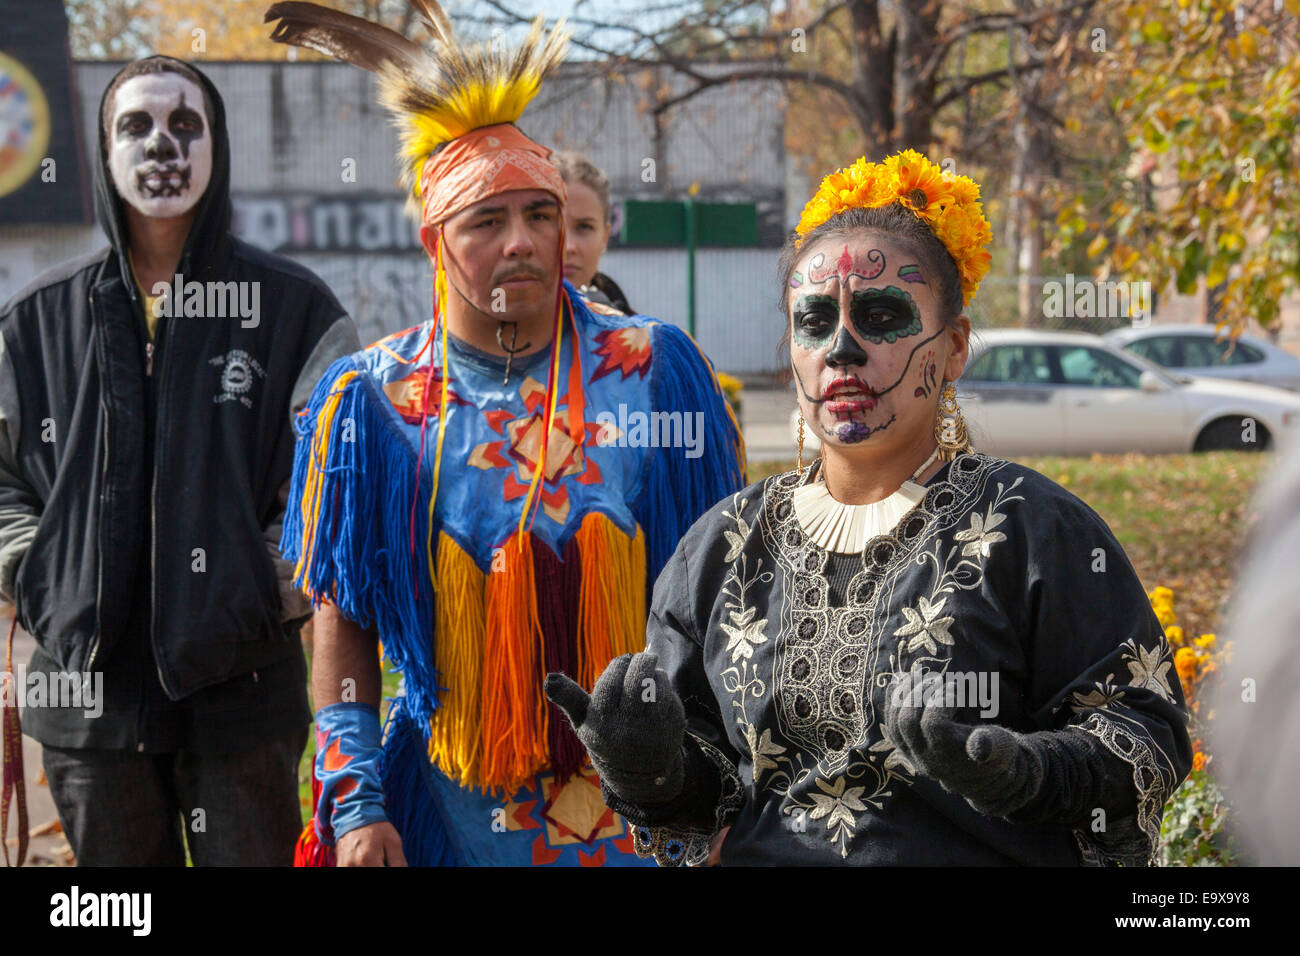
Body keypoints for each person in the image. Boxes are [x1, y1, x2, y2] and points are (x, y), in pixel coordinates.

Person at [547, 151, 1193, 866]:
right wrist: (653, 771)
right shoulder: (723, 548)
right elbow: (708, 797)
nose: (842, 348)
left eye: (882, 317)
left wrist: (1024, 773)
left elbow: (1147, 740)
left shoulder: (1034, 532)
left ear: (953, 349)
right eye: (814, 321)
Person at [266, 0, 745, 867]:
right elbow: (344, 622)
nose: (522, 243)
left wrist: (713, 786)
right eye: (486, 221)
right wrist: (355, 802)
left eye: (540, 213)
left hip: (641, 804)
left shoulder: (654, 367)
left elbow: (718, 601)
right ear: (433, 242)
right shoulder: (373, 400)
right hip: (451, 807)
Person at [0, 55, 359, 866]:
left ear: (217, 145)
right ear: (103, 150)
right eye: (137, 126)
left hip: (244, 692)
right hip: (85, 705)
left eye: (184, 125)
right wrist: (41, 572)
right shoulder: (33, 322)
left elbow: (339, 478)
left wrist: (264, 584)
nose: (162, 145)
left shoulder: (296, 310)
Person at [551, 151, 633, 314]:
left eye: (584, 227)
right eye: (553, 227)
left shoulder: (637, 335)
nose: (569, 247)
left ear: (605, 236)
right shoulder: (493, 332)